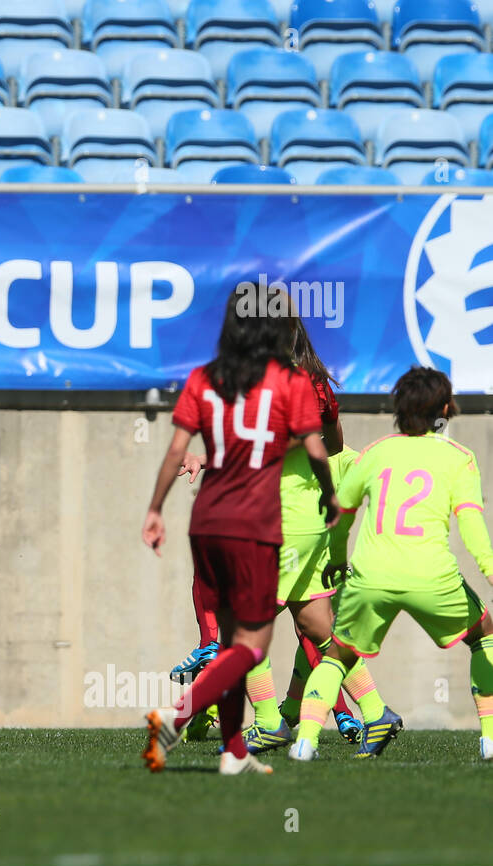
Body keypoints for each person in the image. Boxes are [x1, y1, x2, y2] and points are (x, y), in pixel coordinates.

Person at [172, 308, 394, 754]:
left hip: (281, 520)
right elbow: (328, 443)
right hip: (305, 518)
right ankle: (376, 711)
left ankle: (271, 721)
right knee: (315, 622)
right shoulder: (312, 383)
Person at [141, 283, 339, 775]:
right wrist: (331, 496)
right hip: (253, 525)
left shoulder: (204, 378)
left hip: (204, 522)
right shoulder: (288, 383)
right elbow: (319, 449)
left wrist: (155, 509)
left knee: (229, 639)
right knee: (252, 646)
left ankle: (233, 752)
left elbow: (174, 451)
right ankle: (176, 714)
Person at [291, 367, 493, 761]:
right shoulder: (460, 458)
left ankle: (305, 742)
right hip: (433, 577)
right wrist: (489, 568)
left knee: (337, 656)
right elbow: (472, 526)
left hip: (370, 576)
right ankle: (489, 740)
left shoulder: (376, 452)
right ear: (446, 409)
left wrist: (337, 562)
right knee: (484, 634)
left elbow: (340, 516)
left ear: (397, 409)